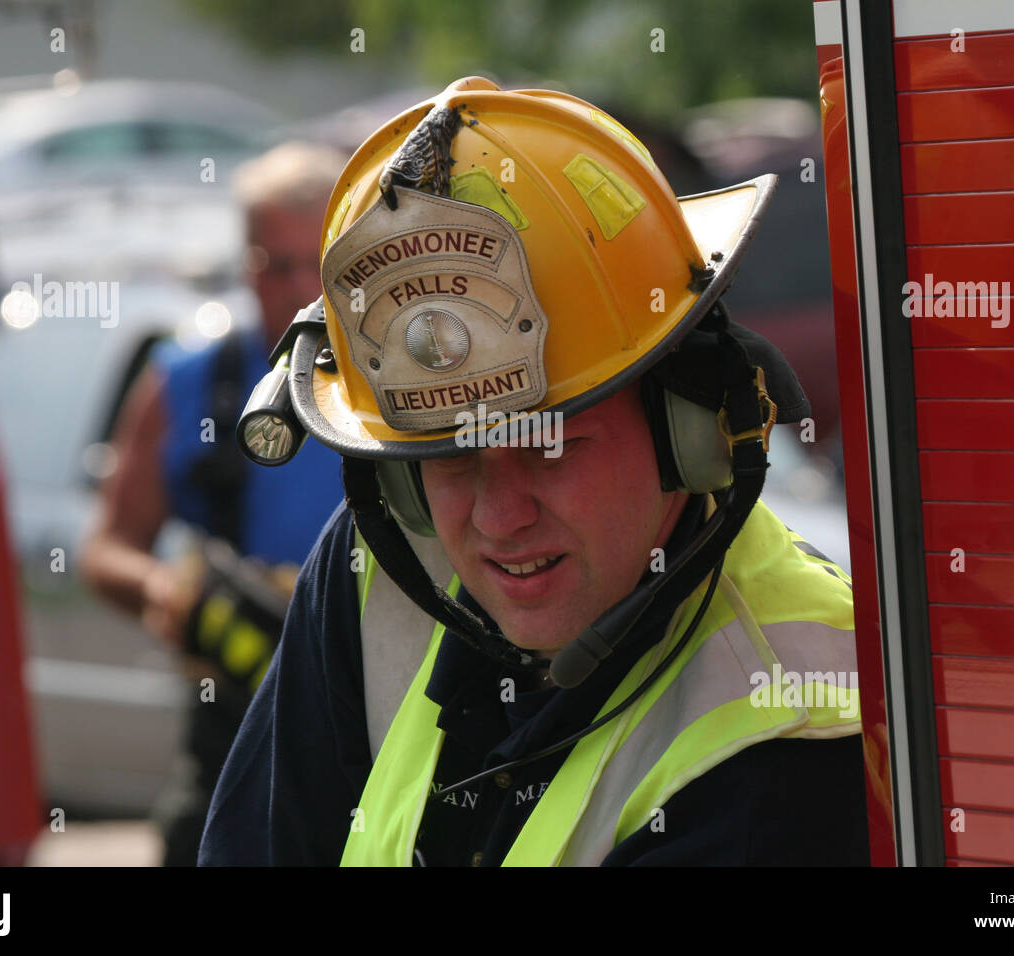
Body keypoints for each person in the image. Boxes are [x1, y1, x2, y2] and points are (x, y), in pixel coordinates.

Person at [199, 78, 869, 866]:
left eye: (547, 443)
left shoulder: (790, 723)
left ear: (688, 426)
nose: (496, 518)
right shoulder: (375, 570)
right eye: (442, 456)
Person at [80, 141, 347, 866]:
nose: (295, 286)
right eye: (273, 264)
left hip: (386, 719)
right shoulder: (193, 379)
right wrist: (174, 592)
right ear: (245, 262)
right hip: (236, 726)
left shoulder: (408, 378)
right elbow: (105, 550)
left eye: (314, 263)